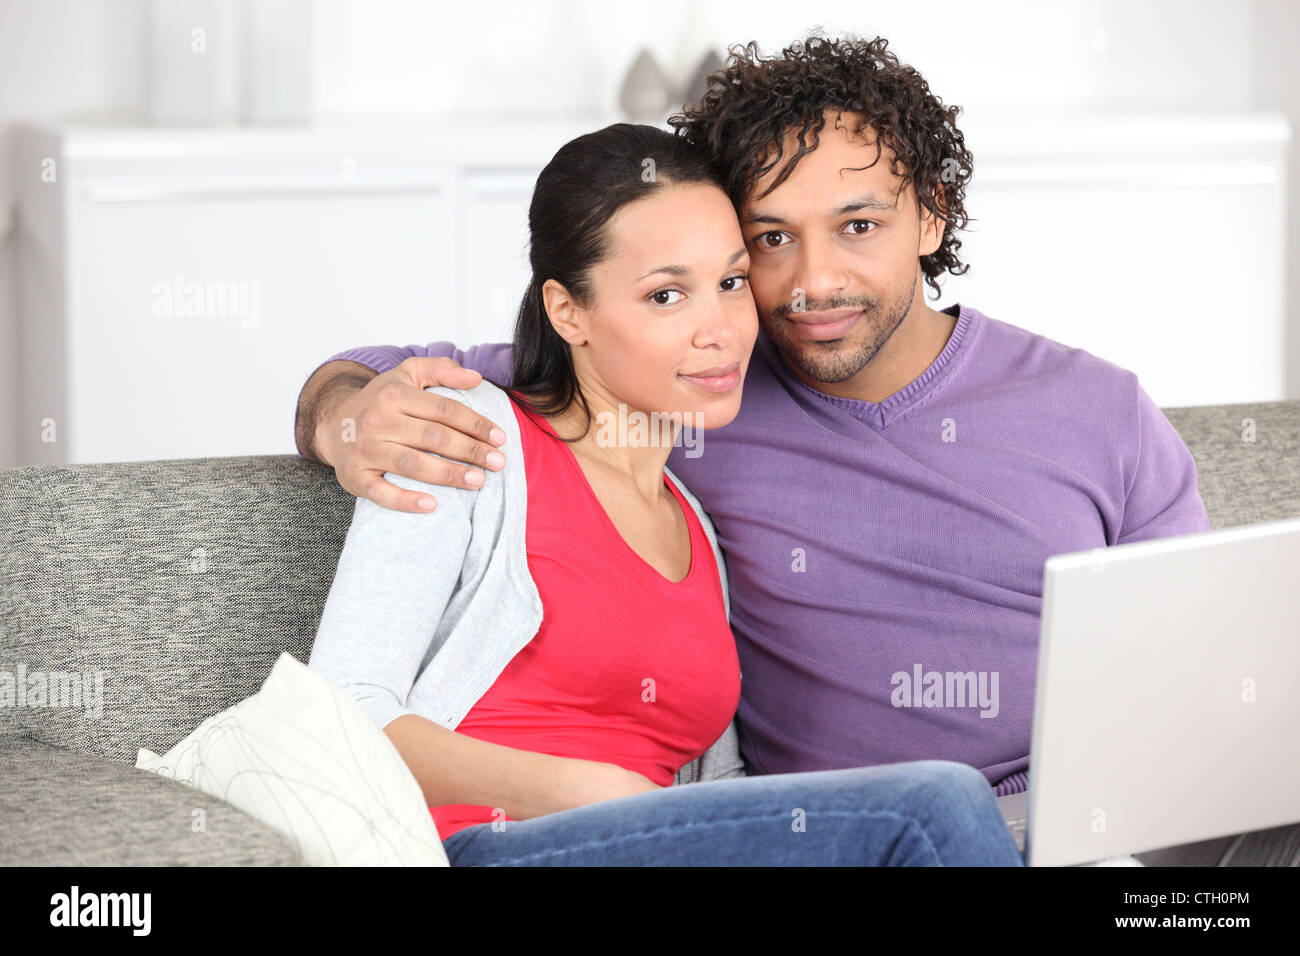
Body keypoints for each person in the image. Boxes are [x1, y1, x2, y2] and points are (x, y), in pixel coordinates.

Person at [298, 36, 1297, 866]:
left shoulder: (1097, 412)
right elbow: (429, 372)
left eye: (857, 226)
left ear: (932, 215)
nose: (809, 281)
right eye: (770, 241)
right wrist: (346, 418)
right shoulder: (685, 392)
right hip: (860, 836)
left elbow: (1200, 698)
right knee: (940, 808)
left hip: (1081, 837)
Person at [307, 121, 1025, 866]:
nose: (719, 329)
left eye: (732, 282)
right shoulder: (466, 438)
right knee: (934, 806)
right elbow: (341, 715)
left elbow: (722, 796)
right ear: (567, 312)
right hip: (484, 848)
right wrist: (584, 791)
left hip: (661, 849)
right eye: (666, 295)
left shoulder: (699, 531)